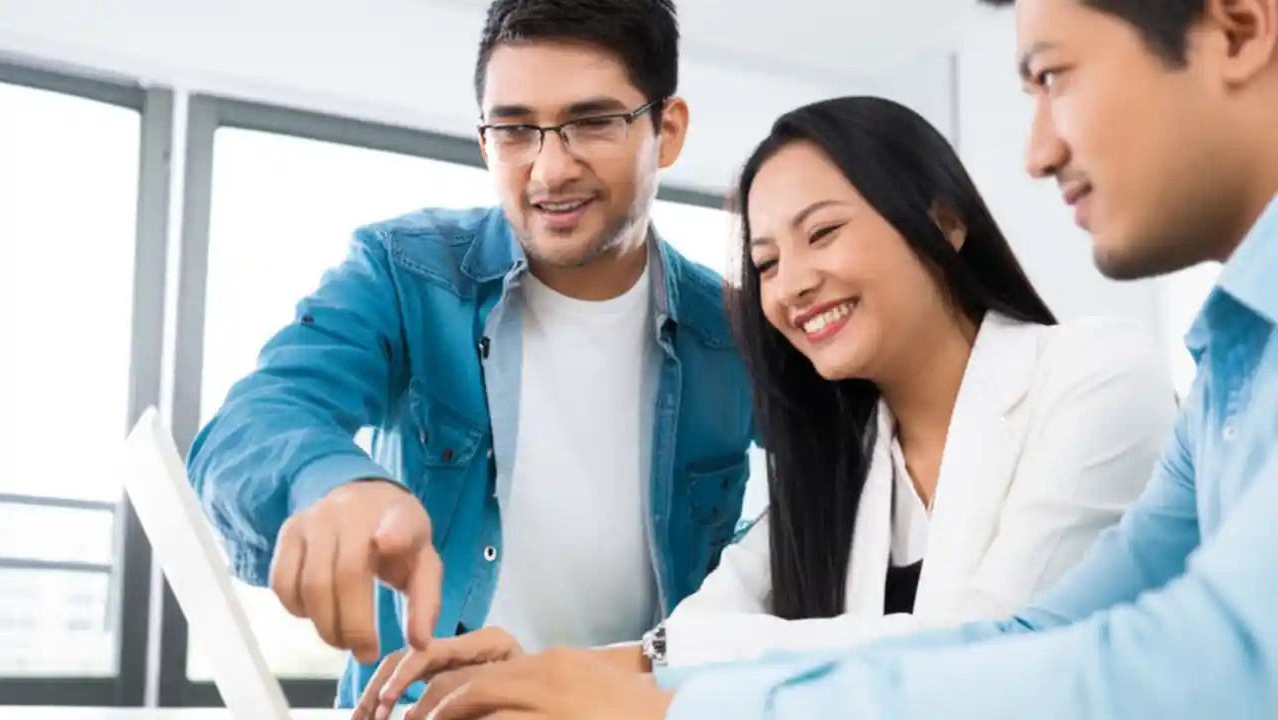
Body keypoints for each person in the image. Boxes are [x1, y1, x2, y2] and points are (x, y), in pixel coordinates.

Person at [406, 0, 1278, 717]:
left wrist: (664, 700)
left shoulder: (1101, 375)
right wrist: (543, 673)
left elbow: (1049, 651)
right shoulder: (847, 458)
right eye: (767, 262)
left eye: (822, 232)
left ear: (941, 223)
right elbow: (695, 632)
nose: (1037, 152)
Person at [185, 0, 756, 708]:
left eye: (591, 122)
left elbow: (831, 513)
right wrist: (332, 483)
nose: (550, 168)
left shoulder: (739, 334)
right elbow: (253, 422)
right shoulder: (403, 273)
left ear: (665, 131)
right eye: (515, 130)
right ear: (486, 141)